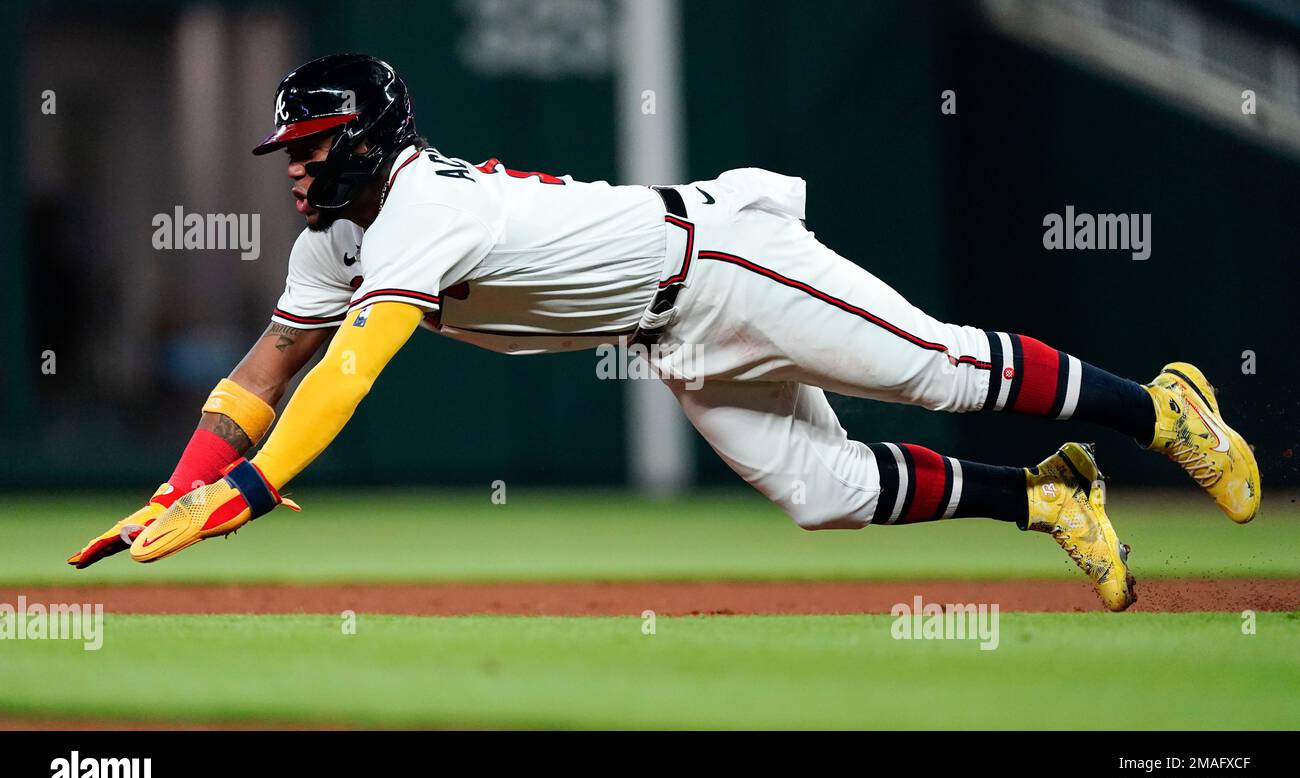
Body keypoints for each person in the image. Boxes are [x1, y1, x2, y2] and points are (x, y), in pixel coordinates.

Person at [68, 54, 1260, 612]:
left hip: (725, 264)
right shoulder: (333, 240)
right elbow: (267, 366)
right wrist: (182, 484)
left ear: (369, 140)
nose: (296, 168)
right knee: (821, 492)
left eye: (313, 145)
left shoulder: (419, 210)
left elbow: (350, 371)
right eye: (289, 150)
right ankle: (1045, 498)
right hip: (670, 332)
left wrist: (253, 491)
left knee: (939, 370)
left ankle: (1163, 410)